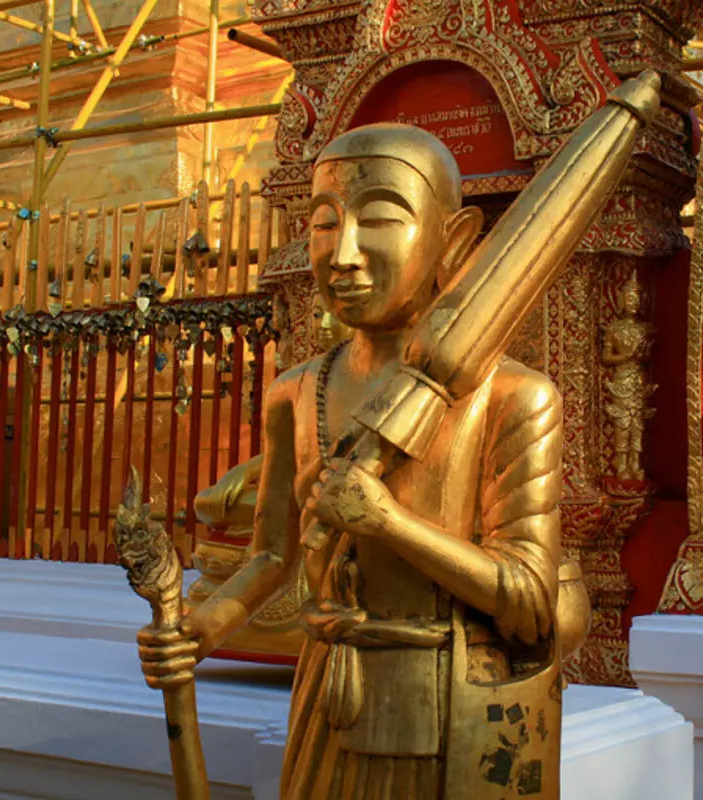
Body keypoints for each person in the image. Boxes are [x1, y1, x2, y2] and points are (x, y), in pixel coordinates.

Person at [137, 124, 567, 799]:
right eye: (322, 223)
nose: (342, 254)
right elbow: (272, 557)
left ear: (453, 243)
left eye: (379, 221)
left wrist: (388, 522)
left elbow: (531, 600)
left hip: (447, 702)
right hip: (325, 697)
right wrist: (200, 630)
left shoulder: (514, 398)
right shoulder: (296, 391)